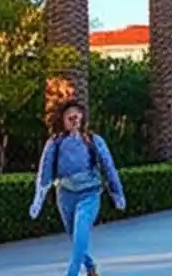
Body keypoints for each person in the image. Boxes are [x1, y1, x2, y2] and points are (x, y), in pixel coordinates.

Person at [28, 100, 126, 276]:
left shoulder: (93, 141)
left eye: (77, 115)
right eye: (69, 116)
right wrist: (38, 199)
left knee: (81, 232)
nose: (74, 119)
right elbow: (45, 170)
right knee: (75, 239)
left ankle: (72, 273)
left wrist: (117, 193)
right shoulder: (55, 143)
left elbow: (109, 166)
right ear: (62, 120)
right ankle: (90, 266)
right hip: (65, 195)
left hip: (90, 193)